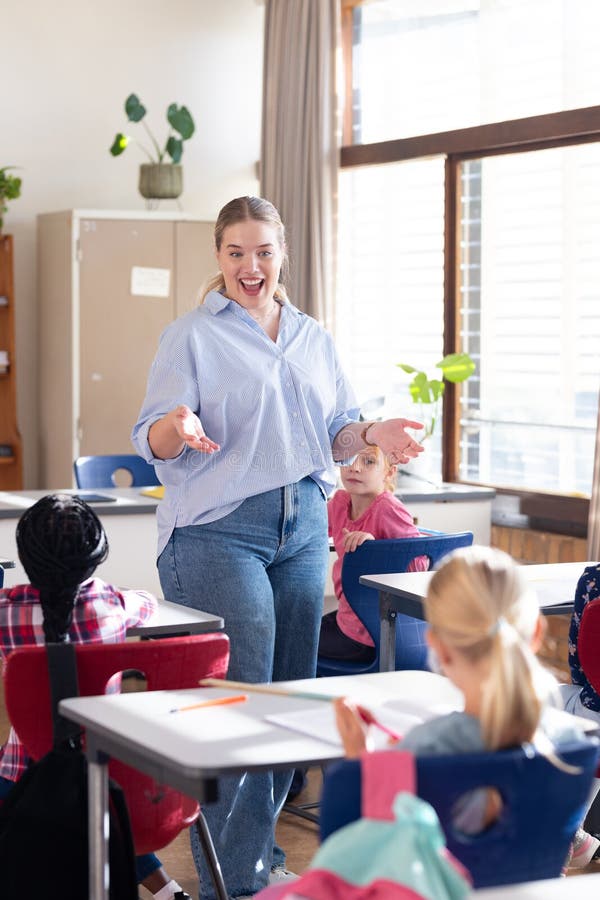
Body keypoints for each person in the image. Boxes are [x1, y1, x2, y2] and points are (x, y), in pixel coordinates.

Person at [131, 195, 424, 899]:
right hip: (217, 529)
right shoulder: (191, 336)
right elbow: (151, 439)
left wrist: (374, 433)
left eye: (263, 251)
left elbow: (338, 431)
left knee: (289, 698)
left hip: (301, 528)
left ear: (281, 253)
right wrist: (177, 425)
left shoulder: (312, 337)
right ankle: (235, 881)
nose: (251, 266)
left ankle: (256, 859)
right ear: (219, 256)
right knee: (245, 695)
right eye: (236, 252)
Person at [0, 494, 190, 900]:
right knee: (99, 808)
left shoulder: (7, 613)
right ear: (95, 556)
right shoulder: (112, 603)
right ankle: (168, 891)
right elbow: (148, 605)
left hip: (24, 776)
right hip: (111, 771)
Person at [335, 546, 589, 841]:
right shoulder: (572, 741)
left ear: (438, 647)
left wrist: (360, 764)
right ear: (536, 633)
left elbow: (375, 843)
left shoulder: (425, 748)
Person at [319, 445, 427, 664]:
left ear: (389, 472)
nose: (355, 468)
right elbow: (310, 527)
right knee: (295, 629)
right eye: (348, 459)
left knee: (291, 643)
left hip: (375, 633)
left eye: (368, 461)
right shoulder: (340, 503)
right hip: (350, 620)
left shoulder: (388, 509)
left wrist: (376, 549)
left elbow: (420, 565)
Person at [557, 561, 600, 866]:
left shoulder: (593, 579)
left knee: (536, 703)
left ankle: (568, 829)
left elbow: (578, 661)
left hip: (595, 714)